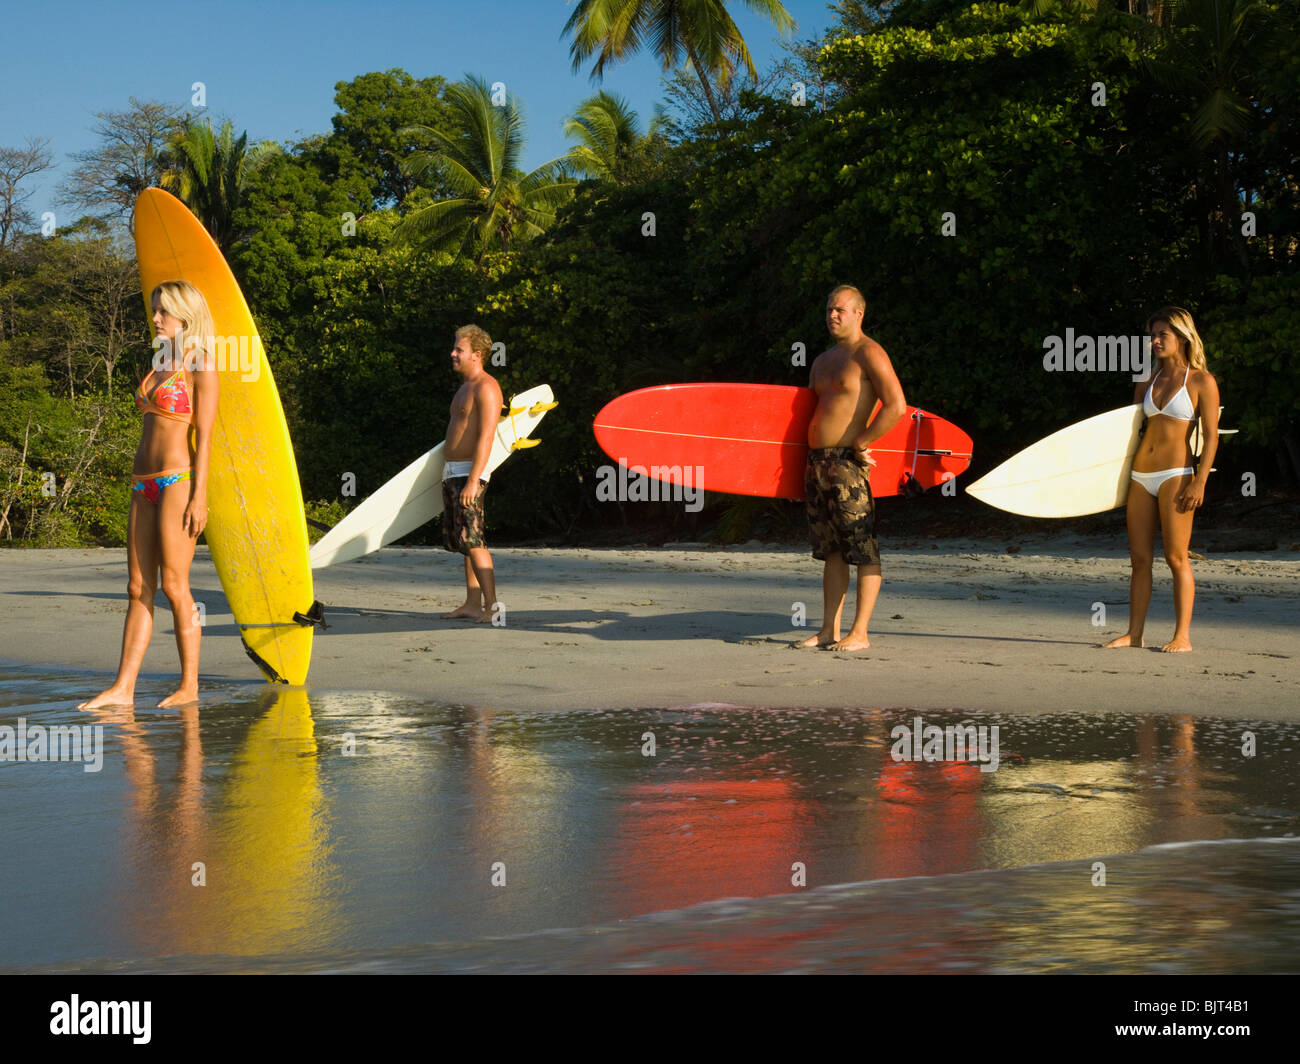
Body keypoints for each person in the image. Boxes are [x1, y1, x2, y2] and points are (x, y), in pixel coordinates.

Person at [79, 281, 218, 708]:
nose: (155, 318)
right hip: (143, 483)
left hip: (178, 479)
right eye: (155, 310)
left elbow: (206, 438)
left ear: (185, 316)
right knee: (138, 586)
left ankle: (189, 685)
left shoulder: (200, 364)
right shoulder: (160, 361)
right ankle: (123, 689)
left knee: (176, 586)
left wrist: (200, 497)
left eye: (163, 311)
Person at [795, 284, 907, 651]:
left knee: (862, 549)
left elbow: (896, 406)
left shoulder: (869, 353)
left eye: (840, 309)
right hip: (817, 463)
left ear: (859, 313)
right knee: (831, 551)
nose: (832, 315)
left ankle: (860, 633)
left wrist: (863, 440)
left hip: (847, 464)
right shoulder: (822, 361)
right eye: (829, 309)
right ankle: (829, 630)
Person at [1105, 306, 1219, 652]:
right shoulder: (1147, 379)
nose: (1154, 341)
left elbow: (1211, 436)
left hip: (1177, 474)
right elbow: (1129, 432)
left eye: (1162, 335)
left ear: (1182, 337)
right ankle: (1134, 634)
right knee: (1139, 558)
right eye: (1152, 335)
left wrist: (1199, 481)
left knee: (1176, 556)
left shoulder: (1201, 381)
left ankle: (1182, 636)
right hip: (1141, 475)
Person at [440, 324, 504, 623]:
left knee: (474, 539)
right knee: (465, 541)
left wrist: (473, 480)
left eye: (459, 350)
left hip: (470, 473)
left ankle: (493, 608)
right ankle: (471, 603)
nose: (453, 354)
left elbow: (487, 437)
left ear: (476, 355)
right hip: (453, 471)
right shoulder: (465, 387)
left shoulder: (487, 387)